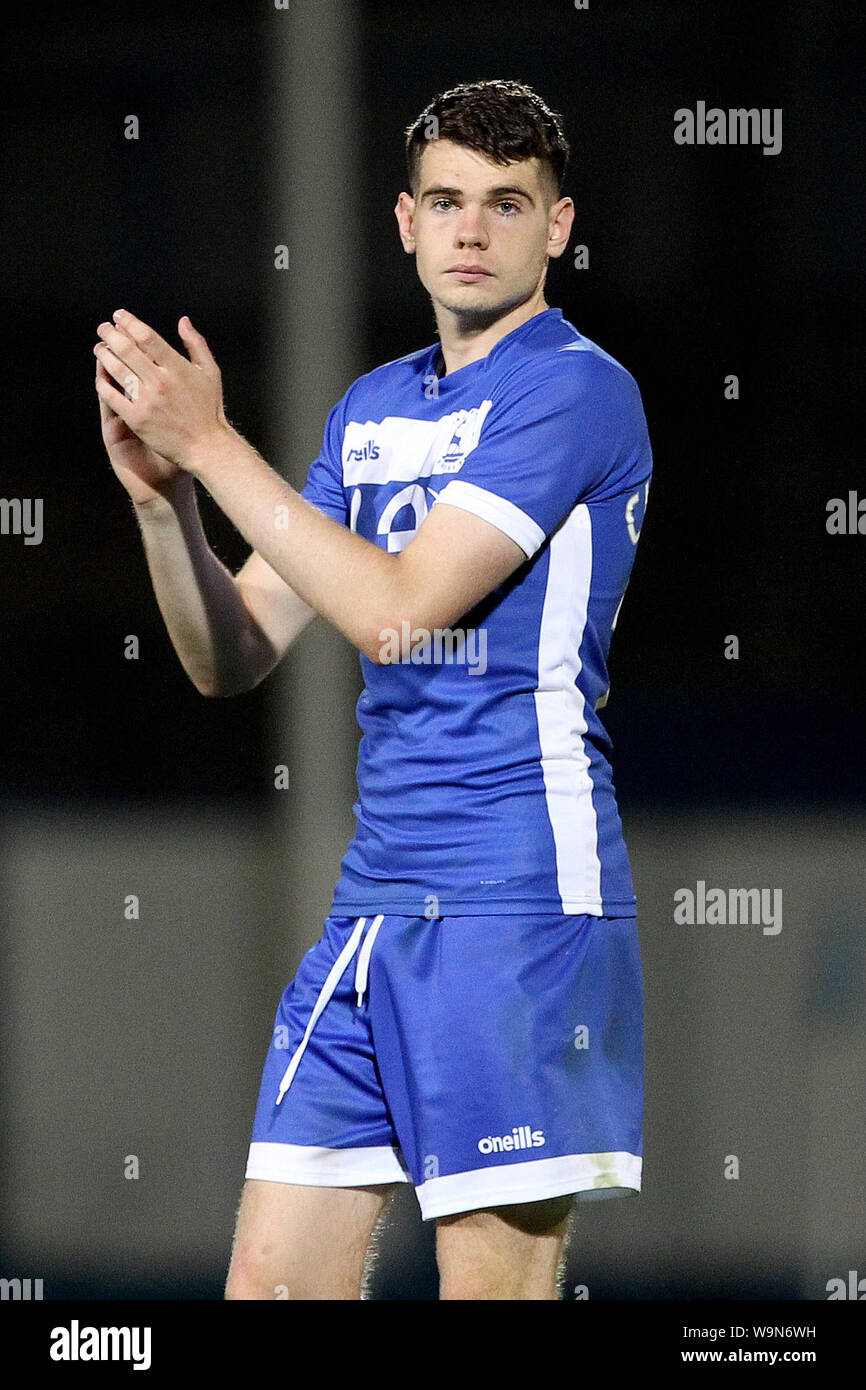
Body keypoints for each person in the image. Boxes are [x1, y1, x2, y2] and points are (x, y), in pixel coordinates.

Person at [93, 78, 652, 1301]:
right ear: (404, 222)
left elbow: (396, 616)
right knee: (268, 1283)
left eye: (507, 204)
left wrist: (217, 448)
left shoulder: (575, 389)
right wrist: (163, 502)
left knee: (488, 1291)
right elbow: (228, 651)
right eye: (446, 201)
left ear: (558, 229)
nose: (471, 230)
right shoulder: (370, 408)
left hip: (516, 905)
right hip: (371, 911)